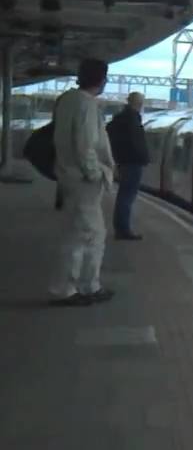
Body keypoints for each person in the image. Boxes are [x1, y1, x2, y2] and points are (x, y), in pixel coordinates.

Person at [48, 58, 116, 307]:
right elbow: (85, 144)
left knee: (78, 234)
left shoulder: (66, 100)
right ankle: (75, 288)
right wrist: (94, 173)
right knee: (89, 235)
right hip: (82, 180)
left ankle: (82, 286)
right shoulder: (85, 104)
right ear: (101, 79)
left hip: (69, 176)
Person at [106, 92, 148, 240]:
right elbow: (135, 143)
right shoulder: (131, 118)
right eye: (141, 102)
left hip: (125, 162)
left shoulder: (121, 118)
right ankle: (123, 230)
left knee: (124, 196)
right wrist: (142, 157)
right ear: (137, 103)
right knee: (127, 197)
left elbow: (109, 134)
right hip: (132, 163)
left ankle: (121, 228)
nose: (141, 104)